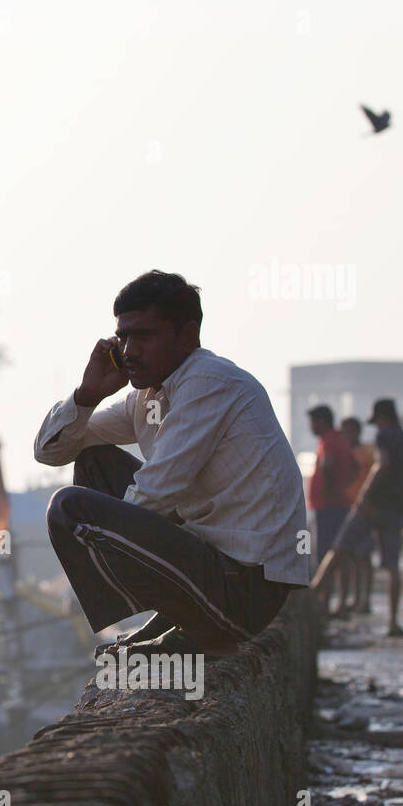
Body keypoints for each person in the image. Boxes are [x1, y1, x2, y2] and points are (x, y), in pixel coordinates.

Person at [36, 270, 308, 658]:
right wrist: (85, 396)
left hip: (245, 590)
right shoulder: (148, 397)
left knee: (69, 508)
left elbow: (154, 495)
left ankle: (199, 632)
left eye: (144, 336)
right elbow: (52, 452)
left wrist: (106, 531)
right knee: (93, 462)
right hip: (213, 569)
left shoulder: (208, 381)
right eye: (123, 337)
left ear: (187, 335)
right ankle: (176, 618)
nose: (129, 351)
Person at [333, 399, 403, 636]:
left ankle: (316, 601)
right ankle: (392, 622)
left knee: (340, 548)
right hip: (394, 510)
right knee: (392, 566)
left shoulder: (385, 437)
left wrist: (363, 494)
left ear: (382, 418)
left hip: (371, 505)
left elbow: (382, 465)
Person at [307, 405, 357, 615]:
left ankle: (324, 604)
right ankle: (340, 603)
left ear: (322, 421)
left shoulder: (328, 441)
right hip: (339, 504)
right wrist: (343, 487)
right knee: (339, 555)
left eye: (312, 422)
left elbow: (327, 466)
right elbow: (355, 467)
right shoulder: (341, 440)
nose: (311, 427)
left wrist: (329, 492)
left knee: (326, 554)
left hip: (329, 507)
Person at [338, 417, 374, 614]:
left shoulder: (364, 454)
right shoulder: (348, 453)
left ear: (356, 432)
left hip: (362, 510)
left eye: (348, 432)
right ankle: (354, 599)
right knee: (350, 558)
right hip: (347, 509)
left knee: (363, 558)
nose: (345, 436)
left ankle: (364, 600)